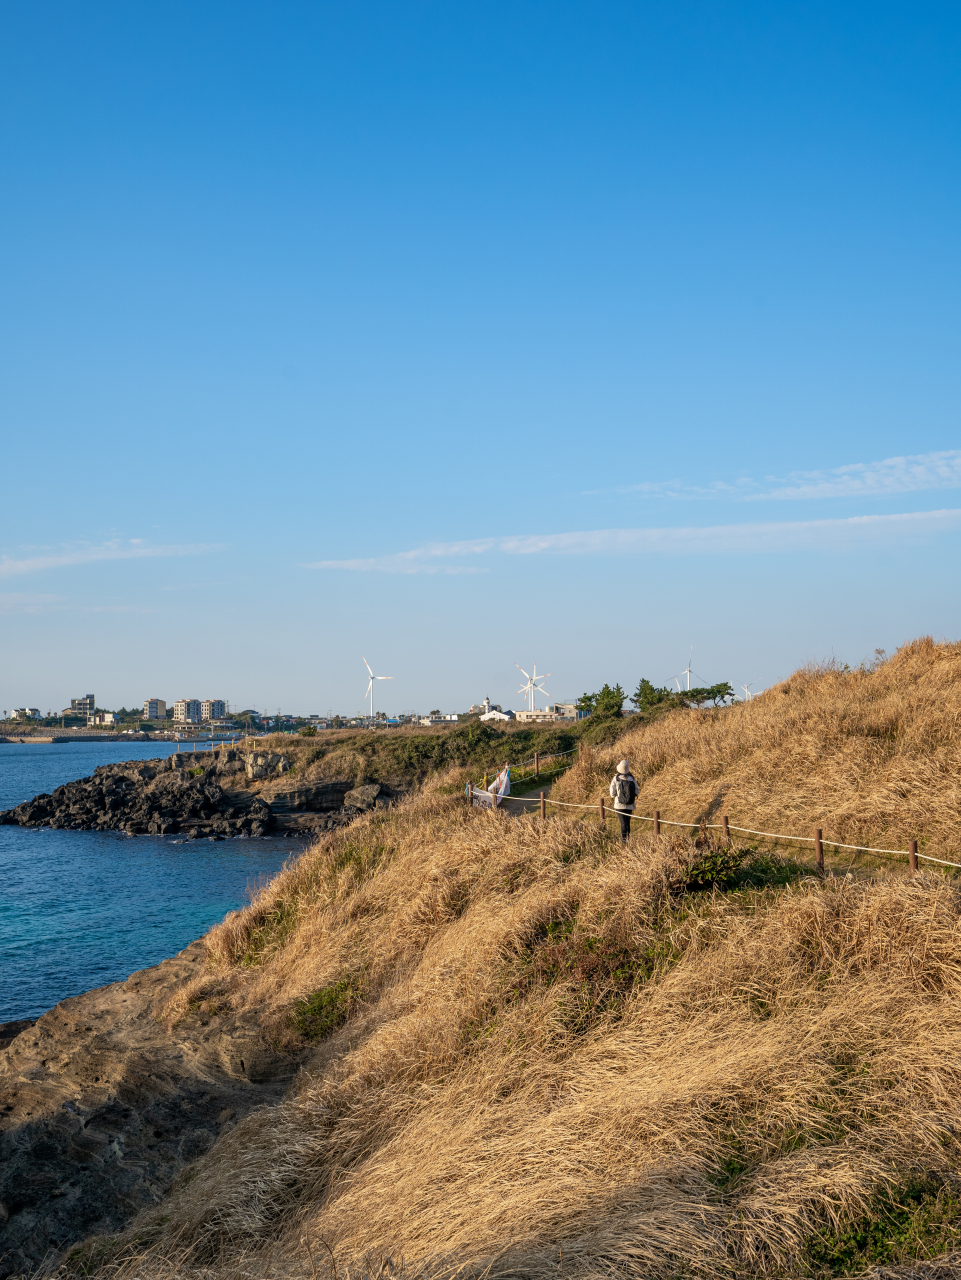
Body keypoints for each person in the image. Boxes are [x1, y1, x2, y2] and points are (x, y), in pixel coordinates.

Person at [609, 759, 638, 841]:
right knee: (628, 822)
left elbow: (612, 793)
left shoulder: (616, 778)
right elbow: (637, 791)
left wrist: (615, 796)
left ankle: (624, 840)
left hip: (619, 804)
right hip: (630, 804)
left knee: (623, 823)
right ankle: (628, 839)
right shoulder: (632, 778)